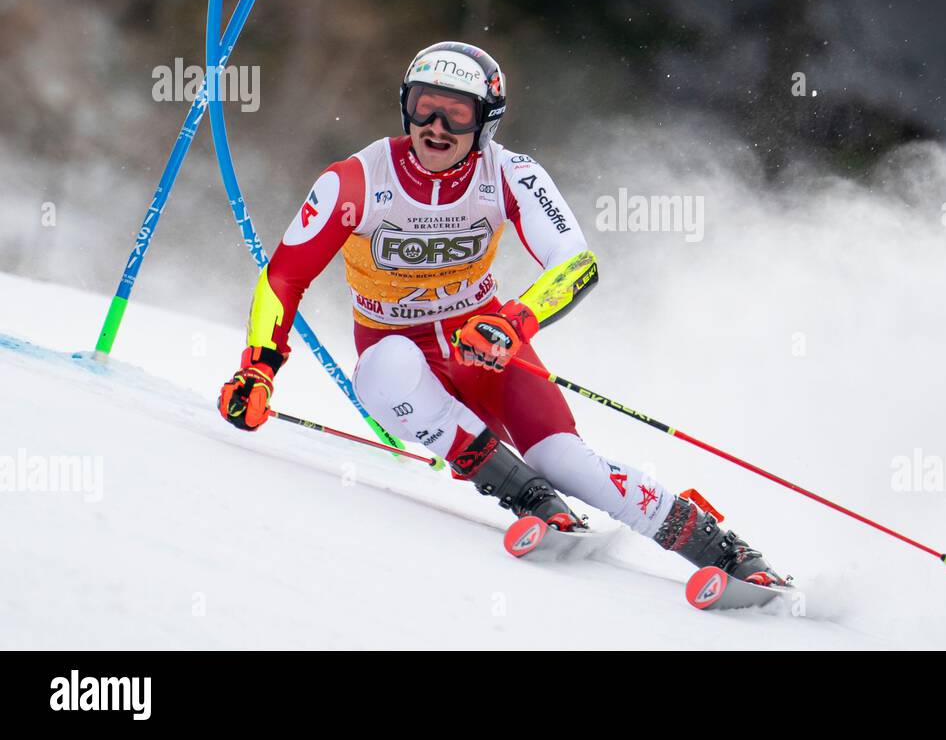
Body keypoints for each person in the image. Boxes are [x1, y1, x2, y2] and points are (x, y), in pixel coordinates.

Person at [217, 41, 785, 585]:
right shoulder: (357, 181)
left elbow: (576, 262)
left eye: (457, 114)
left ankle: (722, 551)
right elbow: (285, 276)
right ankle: (531, 499)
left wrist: (514, 322)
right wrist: (258, 368)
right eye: (424, 106)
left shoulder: (510, 173)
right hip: (404, 358)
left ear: (485, 122)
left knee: (566, 461)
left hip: (484, 346)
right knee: (382, 370)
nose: (435, 126)